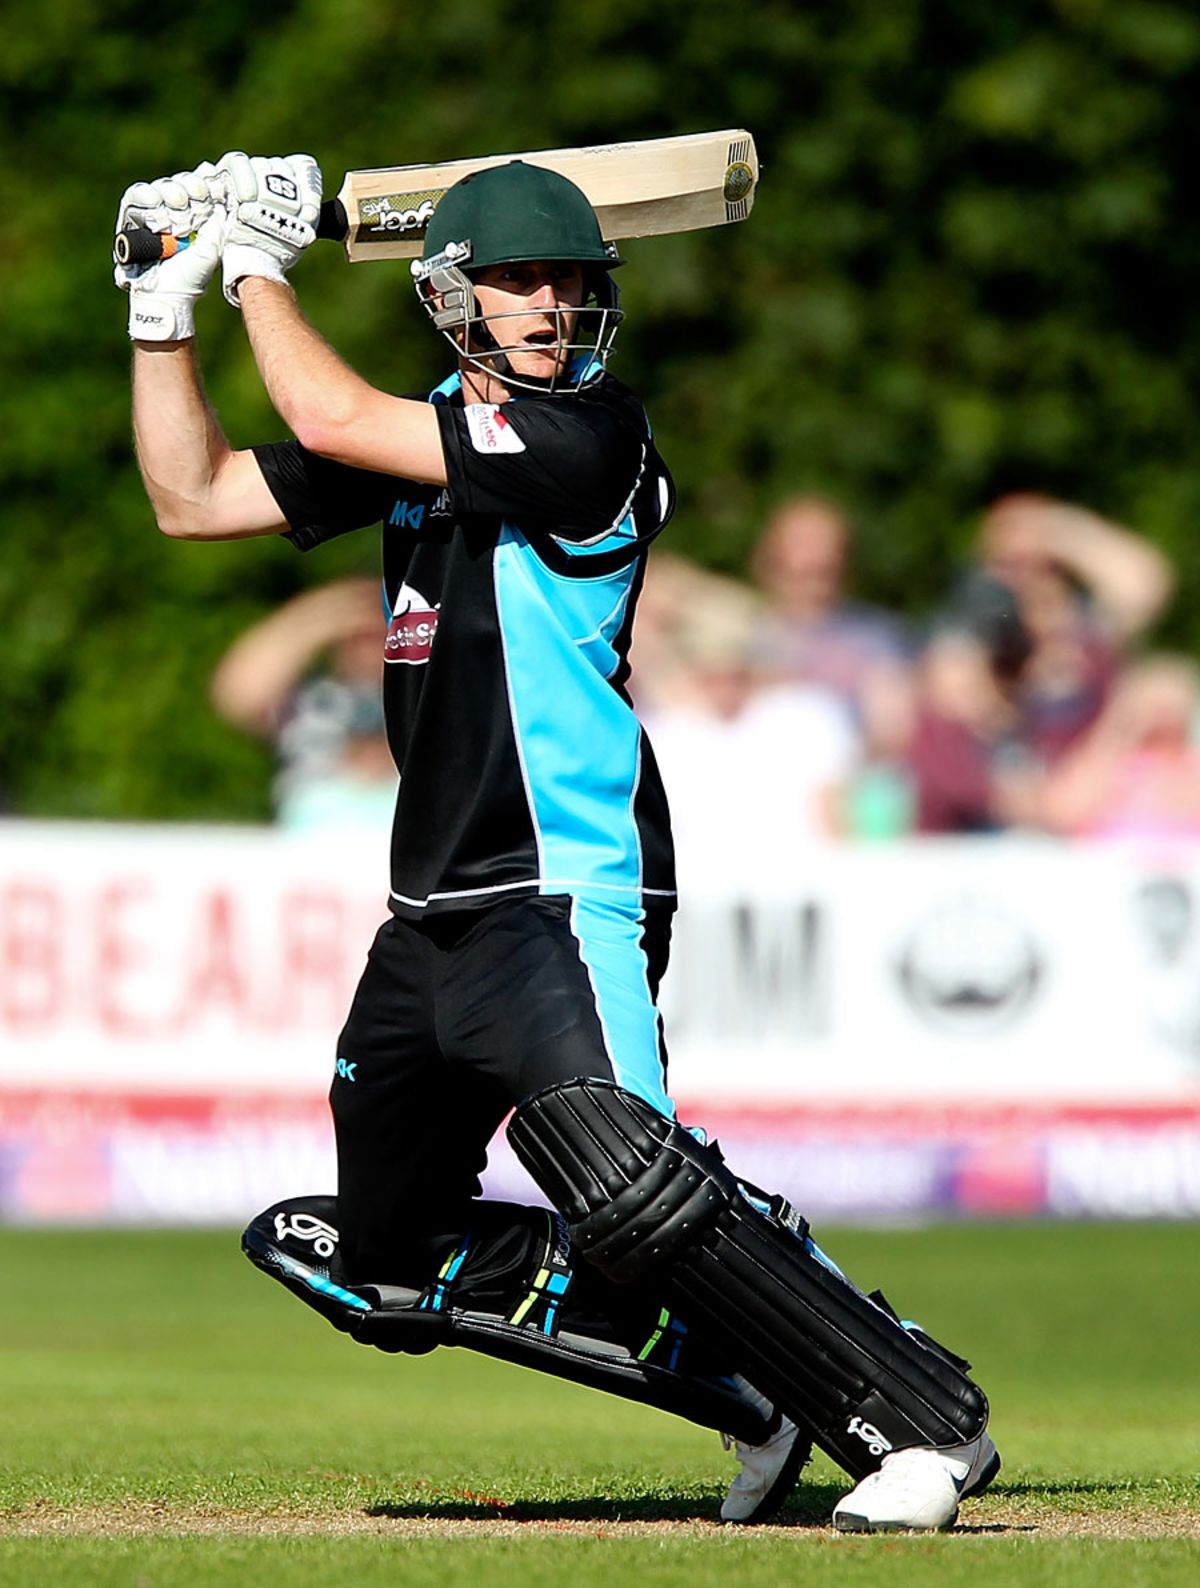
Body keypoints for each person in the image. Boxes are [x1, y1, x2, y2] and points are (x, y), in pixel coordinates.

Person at [117, 152, 998, 1531]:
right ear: (450, 295)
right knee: (382, 1260)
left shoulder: (594, 436)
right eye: (518, 280)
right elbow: (195, 497)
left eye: (569, 282)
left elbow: (323, 404)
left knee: (628, 1177)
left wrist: (257, 266)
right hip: (430, 917)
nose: (548, 305)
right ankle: (747, 1372)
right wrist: (162, 307)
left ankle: (917, 1422)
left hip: (565, 886)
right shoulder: (419, 444)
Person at [210, 578, 397, 831]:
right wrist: (315, 617)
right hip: (312, 841)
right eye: (357, 637)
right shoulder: (311, 699)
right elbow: (238, 696)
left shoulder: (423, 696)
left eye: (380, 634)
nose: (369, 647)